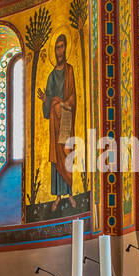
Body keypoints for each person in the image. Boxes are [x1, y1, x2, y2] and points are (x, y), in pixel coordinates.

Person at [38, 34, 77, 211]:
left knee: (67, 154)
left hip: (67, 118)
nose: (59, 50)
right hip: (55, 120)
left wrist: (64, 103)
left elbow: (73, 97)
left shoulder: (69, 71)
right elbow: (48, 100)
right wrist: (47, 100)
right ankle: (58, 196)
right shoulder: (52, 75)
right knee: (57, 158)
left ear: (66, 48)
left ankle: (69, 193)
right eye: (57, 48)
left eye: (61, 47)